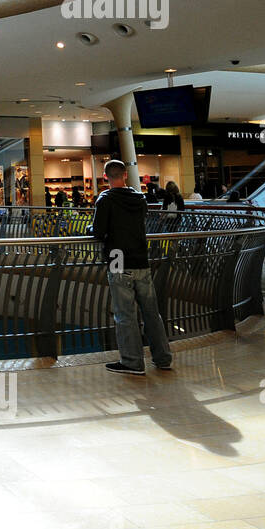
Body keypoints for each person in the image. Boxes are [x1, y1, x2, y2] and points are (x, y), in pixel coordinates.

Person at [90, 160, 172, 375]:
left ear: (106, 176)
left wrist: (91, 226)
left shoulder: (105, 200)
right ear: (125, 175)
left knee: (125, 313)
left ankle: (132, 361)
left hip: (118, 258)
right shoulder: (139, 198)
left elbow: (98, 231)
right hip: (141, 258)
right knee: (152, 312)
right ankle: (163, 357)